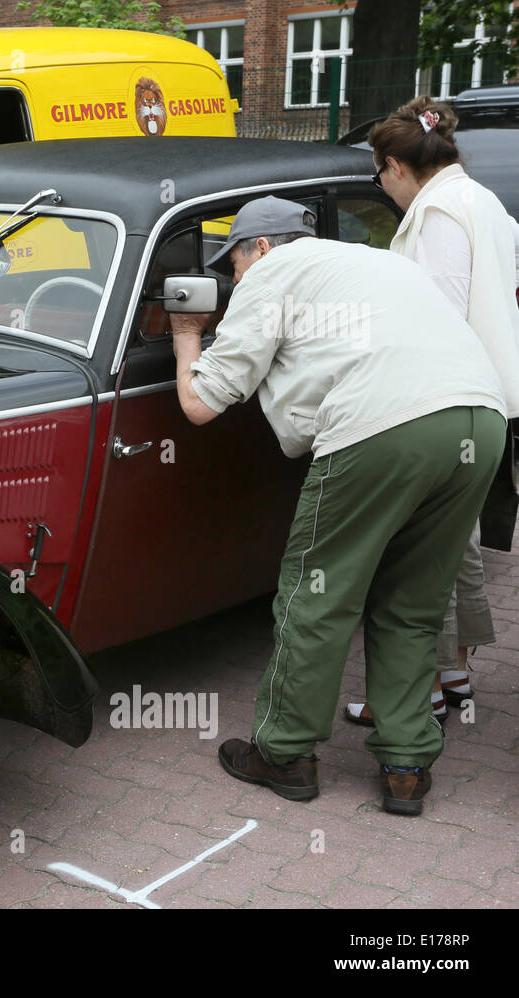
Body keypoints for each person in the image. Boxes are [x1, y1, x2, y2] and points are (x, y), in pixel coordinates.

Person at [170, 196, 509, 815]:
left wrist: (186, 335)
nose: (234, 280)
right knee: (414, 601)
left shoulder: (272, 274)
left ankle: (284, 753)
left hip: (384, 425)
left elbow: (199, 404)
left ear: (263, 247)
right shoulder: (377, 264)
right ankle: (406, 766)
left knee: (316, 594)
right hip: (479, 422)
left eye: (234, 264)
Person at [342, 96, 519, 727]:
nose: (381, 188)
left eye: (377, 175)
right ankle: (451, 675)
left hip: (442, 397)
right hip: (485, 398)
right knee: (454, 543)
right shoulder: (484, 202)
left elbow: (436, 315)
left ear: (394, 165)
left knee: (422, 552)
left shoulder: (438, 212)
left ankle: (419, 695)